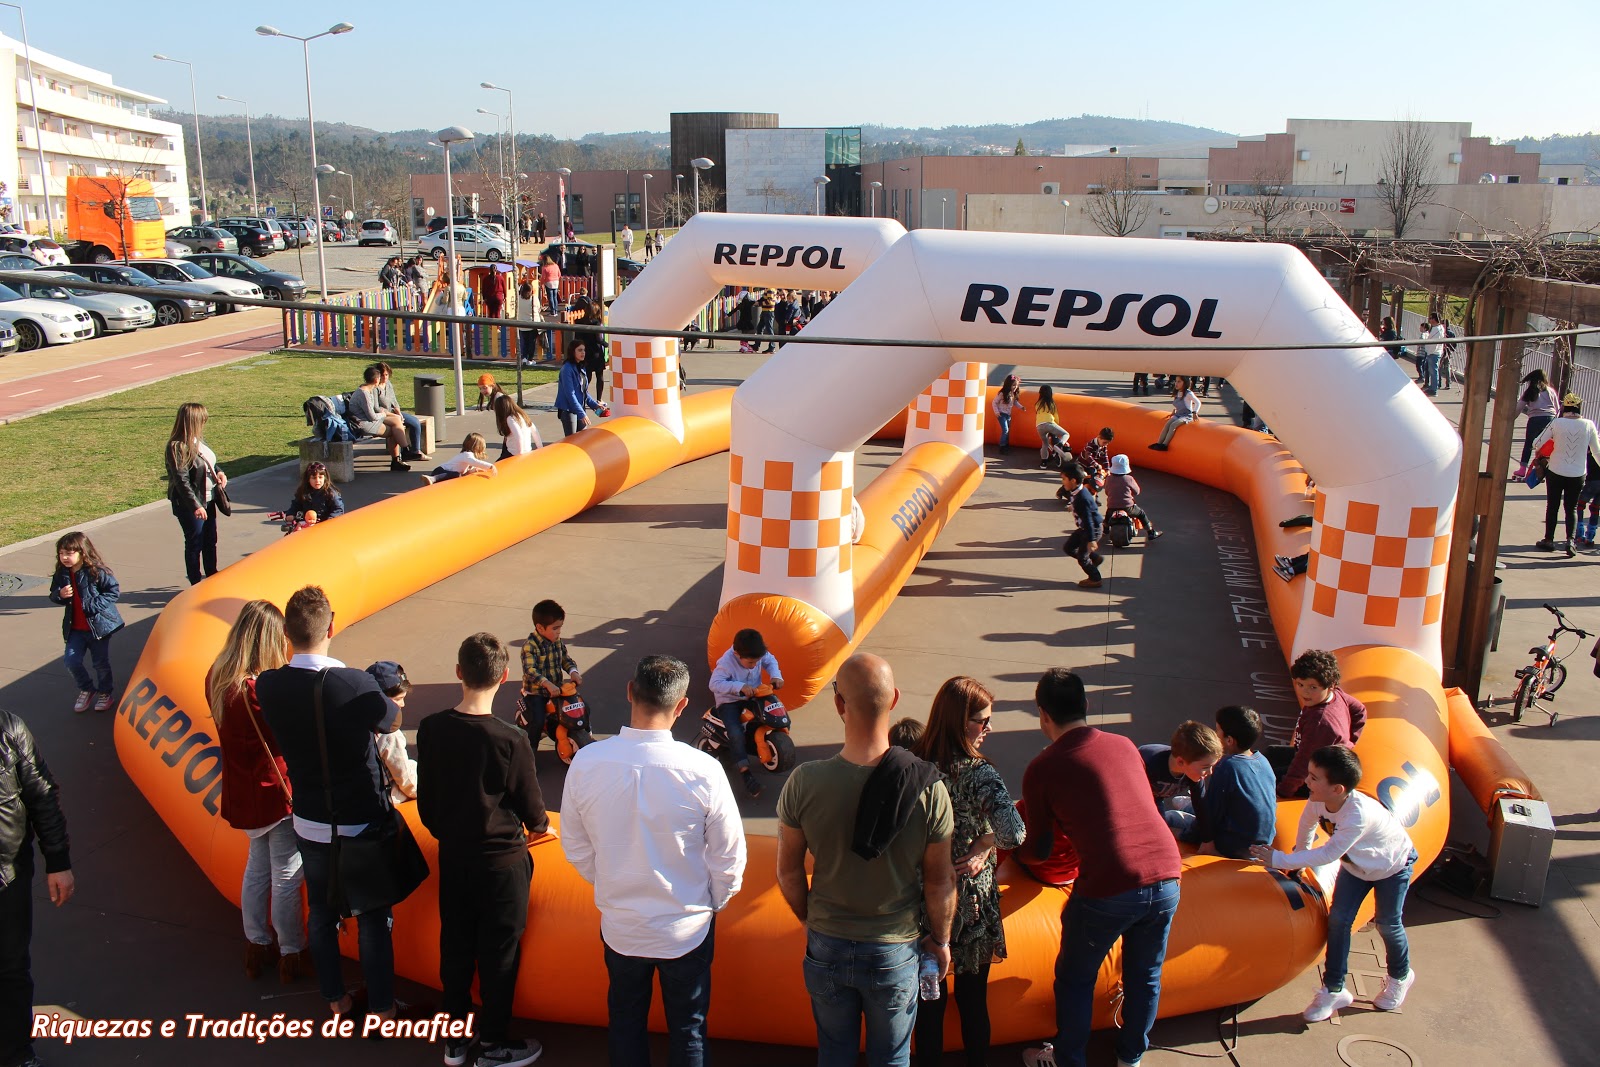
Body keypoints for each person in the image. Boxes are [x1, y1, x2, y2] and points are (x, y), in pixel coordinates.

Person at [562, 654, 747, 1067]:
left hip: (622, 928)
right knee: (689, 1028)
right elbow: (729, 855)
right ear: (681, 706)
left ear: (630, 692)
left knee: (625, 1022)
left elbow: (574, 846)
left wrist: (611, 883)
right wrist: (711, 901)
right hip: (688, 929)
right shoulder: (704, 770)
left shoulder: (587, 762)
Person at [775, 653, 956, 1067]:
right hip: (894, 950)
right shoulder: (929, 789)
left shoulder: (804, 782)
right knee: (891, 1058)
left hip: (827, 943)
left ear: (839, 704)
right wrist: (941, 942)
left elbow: (787, 870)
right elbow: (940, 881)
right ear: (894, 699)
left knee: (834, 1054)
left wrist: (810, 919)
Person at [255, 586, 404, 1026]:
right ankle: (382, 1006)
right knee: (373, 919)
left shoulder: (269, 684)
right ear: (332, 626)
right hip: (360, 821)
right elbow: (391, 720)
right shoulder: (351, 681)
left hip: (309, 819)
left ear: (286, 632)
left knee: (320, 910)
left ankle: (335, 999)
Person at [1021, 668, 1181, 1067]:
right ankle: (1131, 1057)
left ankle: (1068, 1058)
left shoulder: (1043, 767)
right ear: (1086, 705)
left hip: (1110, 885)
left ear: (1042, 714)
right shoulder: (1125, 745)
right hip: (1167, 874)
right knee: (1145, 975)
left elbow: (1039, 849)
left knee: (1075, 978)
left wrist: (1012, 855)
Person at [418, 633, 548, 1067]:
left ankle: (455, 1041)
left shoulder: (432, 728)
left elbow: (429, 804)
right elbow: (533, 809)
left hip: (454, 859)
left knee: (454, 945)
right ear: (505, 677)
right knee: (499, 953)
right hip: (502, 866)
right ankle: (493, 1042)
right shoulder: (511, 739)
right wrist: (541, 827)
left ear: (458, 672)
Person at [1251, 746, 1417, 1022]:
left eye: (1315, 778)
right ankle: (1333, 989)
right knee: (1339, 920)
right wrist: (1298, 860)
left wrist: (1280, 858)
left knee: (1388, 923)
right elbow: (1307, 827)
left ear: (1337, 789)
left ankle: (1400, 975)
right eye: (1309, 774)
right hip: (1357, 867)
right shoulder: (1318, 799)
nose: (1307, 781)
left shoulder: (1357, 816)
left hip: (1392, 867)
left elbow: (1329, 853)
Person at [909, 677, 1025, 1067]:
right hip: (968, 904)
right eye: (982, 721)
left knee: (929, 1003)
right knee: (974, 1002)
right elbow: (1015, 833)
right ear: (961, 723)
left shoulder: (912, 761)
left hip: (920, 899)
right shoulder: (979, 774)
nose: (988, 728)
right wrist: (985, 842)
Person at [208, 599, 308, 984]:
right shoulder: (259, 689)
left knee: (257, 868)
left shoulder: (217, 676)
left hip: (242, 791)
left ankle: (256, 942)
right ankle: (291, 951)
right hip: (274, 793)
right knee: (286, 874)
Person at [0, 709, 74, 1067]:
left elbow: (42, 795)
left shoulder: (8, 728)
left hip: (6, 877)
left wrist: (58, 861)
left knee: (11, 968)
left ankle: (16, 1053)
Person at [1267, 649, 1368, 799]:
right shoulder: (1337, 695)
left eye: (1313, 687)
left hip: (1319, 778)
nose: (1305, 692)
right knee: (1271, 753)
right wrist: (1350, 742)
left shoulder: (1320, 723)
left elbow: (1302, 766)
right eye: (1300, 684)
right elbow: (1360, 710)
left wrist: (1283, 792)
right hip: (1317, 759)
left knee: (1267, 778)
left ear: (1330, 685)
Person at [49, 532, 123, 714]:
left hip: (98, 627)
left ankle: (105, 693)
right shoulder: (62, 574)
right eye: (61, 553)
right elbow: (53, 593)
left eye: (69, 553)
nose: (65, 557)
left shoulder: (96, 571)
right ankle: (87, 688)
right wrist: (59, 595)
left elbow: (113, 591)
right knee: (71, 661)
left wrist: (93, 605)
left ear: (82, 552)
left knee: (100, 664)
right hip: (75, 628)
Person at [1194, 705, 1278, 860]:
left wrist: (1188, 834)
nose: (1214, 733)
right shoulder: (1262, 760)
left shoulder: (1227, 766)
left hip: (1234, 846)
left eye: (1217, 730)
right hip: (1262, 842)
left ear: (1229, 740)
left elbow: (1212, 813)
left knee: (1172, 816)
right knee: (1184, 803)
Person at [709, 628, 784, 799]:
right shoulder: (726, 662)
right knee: (736, 732)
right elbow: (714, 683)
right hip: (730, 701)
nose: (755, 665)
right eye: (751, 663)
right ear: (737, 653)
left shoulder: (756, 652)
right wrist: (739, 687)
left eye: (757, 662)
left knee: (771, 712)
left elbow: (770, 661)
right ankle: (744, 771)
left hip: (754, 693)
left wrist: (775, 675)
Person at [164, 401, 226, 585]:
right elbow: (181, 479)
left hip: (209, 498)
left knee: (210, 540)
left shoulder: (198, 441)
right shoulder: (177, 447)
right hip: (191, 504)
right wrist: (195, 506)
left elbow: (209, 462)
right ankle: (196, 582)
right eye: (202, 421)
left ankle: (212, 574)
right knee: (194, 542)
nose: (204, 424)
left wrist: (219, 471)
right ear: (192, 422)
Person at [1531, 393, 1600, 557]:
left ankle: (1549, 540)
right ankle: (1570, 541)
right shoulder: (1589, 425)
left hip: (1556, 471)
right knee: (1572, 508)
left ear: (1565, 408)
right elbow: (1597, 452)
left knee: (1553, 506)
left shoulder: (1557, 423)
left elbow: (1536, 443)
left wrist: (1555, 441)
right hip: (1578, 473)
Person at [1138, 721, 1223, 841]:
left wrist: (1207, 840)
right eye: (1205, 767)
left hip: (1156, 797)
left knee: (1160, 832)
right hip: (1136, 796)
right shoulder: (1149, 763)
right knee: (1147, 830)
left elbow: (1201, 804)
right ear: (1180, 762)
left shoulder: (1193, 772)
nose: (1210, 772)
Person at [519, 599, 582, 748]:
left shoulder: (557, 641)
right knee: (537, 721)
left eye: (560, 628)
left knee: (582, 707)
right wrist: (546, 683)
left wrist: (573, 672)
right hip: (537, 692)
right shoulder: (530, 646)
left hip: (557, 689)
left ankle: (585, 733)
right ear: (540, 628)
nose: (559, 632)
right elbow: (530, 670)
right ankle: (529, 753)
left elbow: (565, 658)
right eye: (555, 628)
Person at [366, 662, 417, 806]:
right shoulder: (389, 734)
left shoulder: (357, 720)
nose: (402, 705)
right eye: (398, 699)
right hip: (384, 801)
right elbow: (407, 782)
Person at [348, 365, 412, 472]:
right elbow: (371, 416)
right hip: (364, 423)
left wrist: (392, 414)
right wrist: (383, 414)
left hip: (369, 420)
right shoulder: (364, 394)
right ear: (376, 379)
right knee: (393, 431)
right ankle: (400, 457)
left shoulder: (367, 390)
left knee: (396, 422)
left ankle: (404, 453)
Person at [1060, 463, 1104, 589]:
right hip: (1085, 528)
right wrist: (1072, 506)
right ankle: (1095, 559)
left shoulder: (1082, 498)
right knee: (1069, 548)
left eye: (1064, 479)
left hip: (1091, 529)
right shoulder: (1077, 491)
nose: (1063, 482)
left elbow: (1088, 519)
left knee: (1082, 558)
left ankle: (1096, 579)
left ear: (1073, 480)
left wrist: (1091, 540)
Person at [1514, 368, 1561, 480]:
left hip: (1534, 419)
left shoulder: (1529, 391)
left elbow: (1519, 407)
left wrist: (1511, 419)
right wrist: (1556, 421)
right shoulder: (1550, 391)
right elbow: (1557, 408)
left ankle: (1522, 470)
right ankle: (1542, 470)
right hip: (1550, 420)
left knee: (1529, 444)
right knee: (1544, 445)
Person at [375, 362, 427, 462]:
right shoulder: (375, 388)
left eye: (386, 375)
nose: (385, 377)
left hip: (394, 412)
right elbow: (377, 408)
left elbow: (394, 400)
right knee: (398, 427)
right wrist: (394, 415)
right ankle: (403, 453)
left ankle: (416, 451)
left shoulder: (388, 384)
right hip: (383, 415)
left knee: (415, 422)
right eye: (382, 375)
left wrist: (398, 411)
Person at [555, 340, 607, 437]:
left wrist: (595, 406)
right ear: (572, 352)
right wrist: (581, 413)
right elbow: (570, 394)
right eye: (579, 350)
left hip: (579, 408)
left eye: (584, 350)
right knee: (572, 441)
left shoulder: (581, 367)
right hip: (568, 410)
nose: (583, 352)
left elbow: (584, 392)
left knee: (583, 439)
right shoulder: (567, 369)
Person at [1104, 454, 1162, 540]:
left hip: (1112, 506)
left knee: (1107, 517)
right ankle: (1151, 532)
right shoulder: (1129, 478)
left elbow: (1106, 491)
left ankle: (1106, 529)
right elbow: (1137, 491)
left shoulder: (1108, 478)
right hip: (1128, 507)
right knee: (1141, 514)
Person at [422, 433, 499, 486]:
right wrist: (490, 466)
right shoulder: (467, 455)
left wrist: (473, 470)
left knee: (458, 475)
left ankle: (434, 479)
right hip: (440, 472)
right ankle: (432, 479)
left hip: (443, 472)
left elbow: (464, 472)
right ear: (477, 447)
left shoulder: (467, 456)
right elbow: (475, 462)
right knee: (456, 474)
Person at [1149, 375, 1199, 452]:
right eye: (1176, 381)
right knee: (1167, 425)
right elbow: (1179, 404)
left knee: (1173, 425)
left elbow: (1198, 402)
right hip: (1178, 414)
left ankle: (1164, 445)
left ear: (1185, 383)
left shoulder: (1188, 393)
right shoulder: (1177, 392)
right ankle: (1158, 443)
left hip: (1187, 415)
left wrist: (1195, 412)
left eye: (1179, 381)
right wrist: (1175, 410)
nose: (1176, 383)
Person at [287, 462, 345, 527]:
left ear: (325, 478)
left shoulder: (331, 493)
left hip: (325, 526)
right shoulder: (303, 492)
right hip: (307, 524)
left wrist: (329, 520)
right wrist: (291, 514)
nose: (317, 481)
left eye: (320, 477)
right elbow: (296, 505)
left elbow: (338, 509)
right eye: (314, 478)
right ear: (308, 479)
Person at [493, 393, 543, 460]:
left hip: (514, 452)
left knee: (497, 466)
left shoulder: (510, 418)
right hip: (527, 450)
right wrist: (540, 447)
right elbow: (534, 430)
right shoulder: (522, 415)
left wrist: (520, 454)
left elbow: (519, 435)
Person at [1034, 385, 1069, 468]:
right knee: (1066, 434)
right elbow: (1056, 416)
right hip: (1049, 423)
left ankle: (1043, 463)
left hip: (1039, 426)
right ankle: (1059, 445)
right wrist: (1056, 426)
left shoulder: (1038, 404)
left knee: (1044, 444)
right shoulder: (1051, 403)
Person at [993, 374, 1021, 453]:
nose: (1015, 387)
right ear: (1008, 385)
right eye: (1013, 385)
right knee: (1005, 430)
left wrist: (1021, 407)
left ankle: (1006, 444)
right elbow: (994, 402)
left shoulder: (1013, 394)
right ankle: (1002, 446)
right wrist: (996, 412)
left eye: (1016, 385)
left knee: (1008, 430)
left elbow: (1015, 402)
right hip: (1001, 414)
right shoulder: (1002, 394)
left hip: (1008, 415)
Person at [1419, 313, 1445, 396]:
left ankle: (1434, 389)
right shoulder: (1437, 328)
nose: (1429, 320)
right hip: (1433, 352)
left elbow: (1434, 343)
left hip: (1433, 352)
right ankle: (1432, 387)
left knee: (1433, 371)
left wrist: (1429, 350)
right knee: (1431, 370)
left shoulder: (1437, 329)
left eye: (1430, 318)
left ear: (1434, 319)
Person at [756, 288, 778, 352]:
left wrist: (759, 303)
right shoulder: (767, 289)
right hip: (765, 311)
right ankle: (756, 345)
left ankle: (772, 346)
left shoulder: (770, 290)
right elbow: (765, 299)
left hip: (768, 312)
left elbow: (769, 301)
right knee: (759, 328)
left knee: (769, 329)